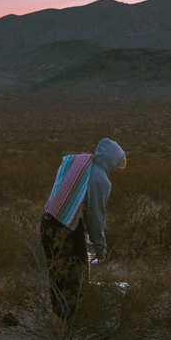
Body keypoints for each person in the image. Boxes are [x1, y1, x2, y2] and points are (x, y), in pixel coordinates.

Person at [41, 137, 126, 321]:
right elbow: (95, 215)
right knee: (75, 275)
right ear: (112, 161)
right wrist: (99, 245)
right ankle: (72, 321)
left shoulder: (77, 163)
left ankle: (58, 319)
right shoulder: (100, 179)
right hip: (68, 227)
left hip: (48, 221)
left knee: (57, 272)